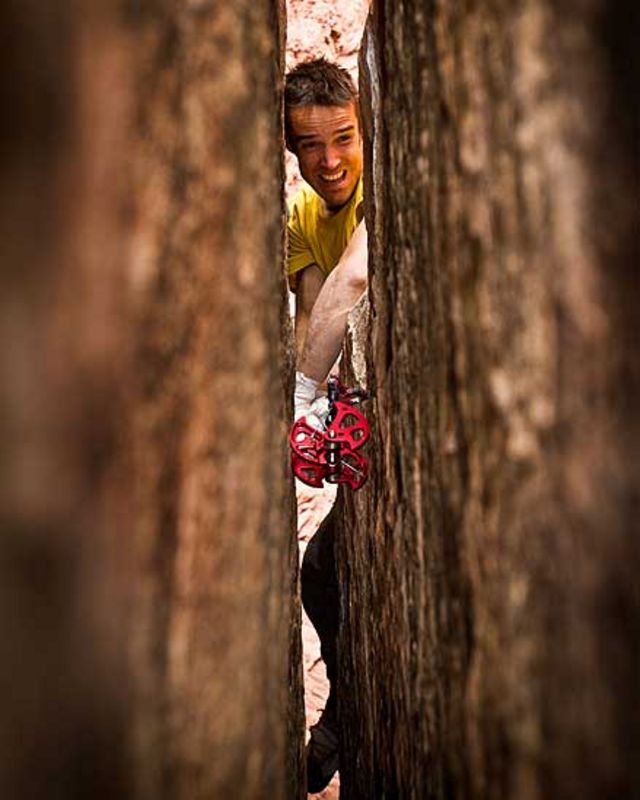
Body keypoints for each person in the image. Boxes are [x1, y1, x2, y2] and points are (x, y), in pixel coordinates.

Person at [285, 57, 368, 794]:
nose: (330, 160)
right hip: (365, 431)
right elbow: (313, 302)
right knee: (322, 574)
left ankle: (341, 720)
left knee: (331, 572)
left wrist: (310, 394)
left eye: (342, 138)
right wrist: (306, 415)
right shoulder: (306, 215)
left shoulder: (383, 186)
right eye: (310, 145)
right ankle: (346, 712)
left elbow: (356, 278)